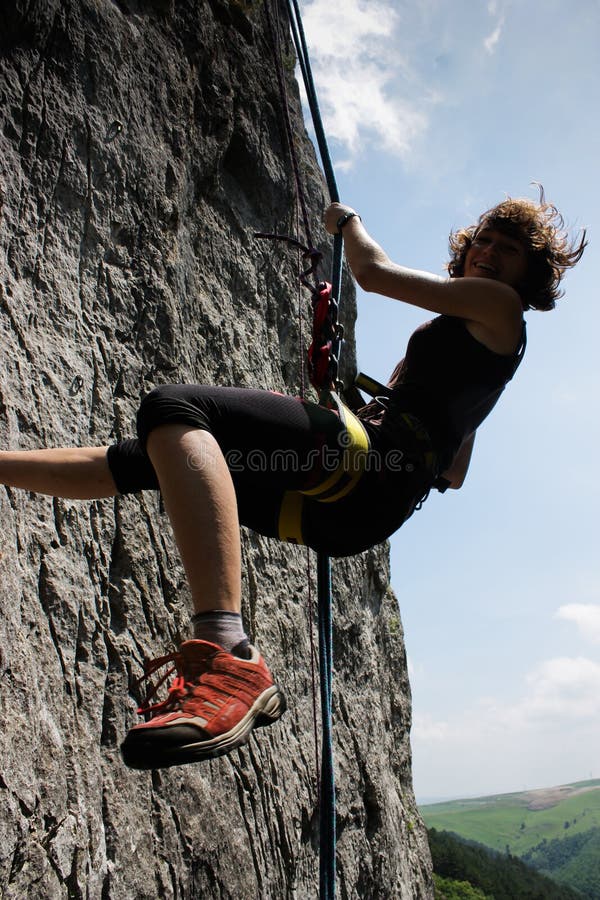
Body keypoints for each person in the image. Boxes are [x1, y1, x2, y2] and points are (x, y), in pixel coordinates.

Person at [0, 191, 586, 771]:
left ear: (528, 273)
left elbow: (373, 272)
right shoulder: (487, 353)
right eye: (483, 240)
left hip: (368, 470)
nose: (488, 252)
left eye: (508, 249)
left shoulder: (499, 306)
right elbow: (454, 472)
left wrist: (348, 221)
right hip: (357, 513)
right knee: (155, 461)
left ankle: (228, 653)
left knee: (175, 407)